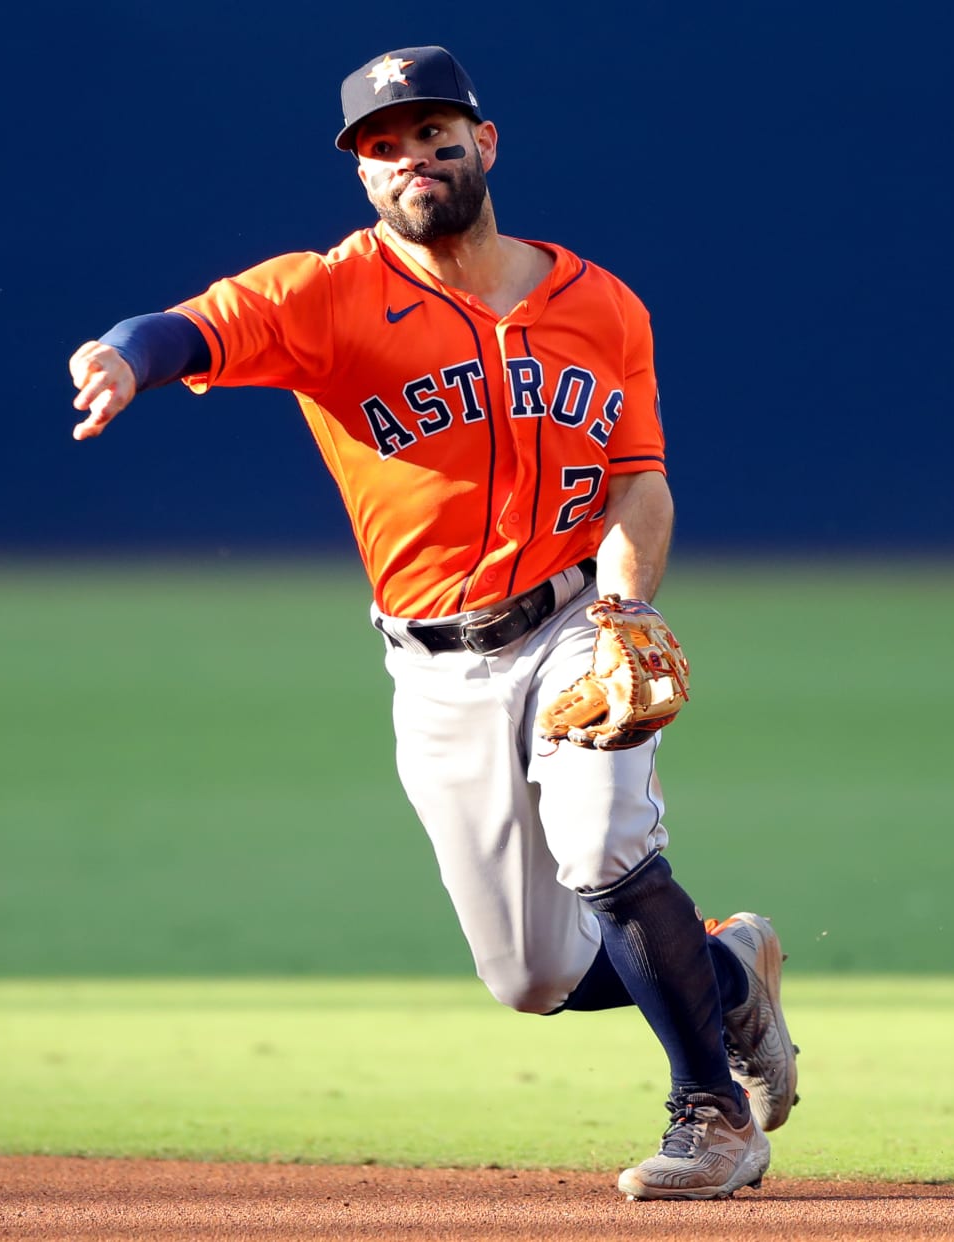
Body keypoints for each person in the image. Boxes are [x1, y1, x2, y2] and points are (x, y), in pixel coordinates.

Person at [65, 45, 797, 1201]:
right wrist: (122, 357)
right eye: (384, 145)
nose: (413, 157)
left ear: (485, 143)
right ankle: (728, 971)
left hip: (571, 620)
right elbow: (186, 329)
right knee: (534, 976)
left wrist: (625, 605)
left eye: (433, 133)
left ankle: (711, 1115)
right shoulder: (325, 295)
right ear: (363, 175)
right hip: (435, 664)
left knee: (607, 842)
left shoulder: (599, 304)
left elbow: (636, 481)